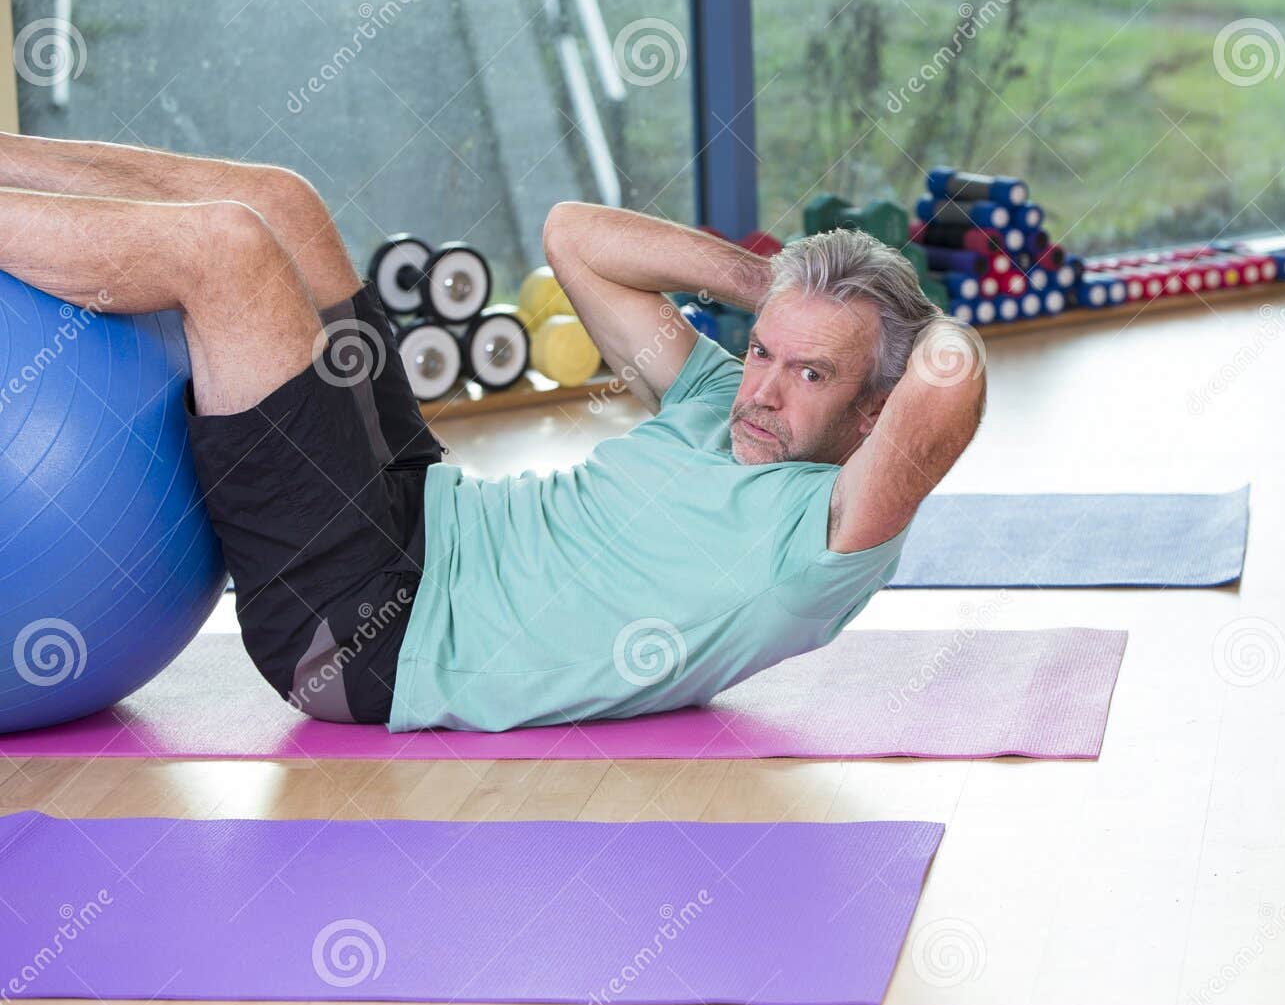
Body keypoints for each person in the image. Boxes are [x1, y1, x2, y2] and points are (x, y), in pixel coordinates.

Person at [0, 134, 986, 730]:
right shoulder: (719, 394)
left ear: (872, 411)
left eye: (810, 374)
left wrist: (888, 306)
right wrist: (767, 286)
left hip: (360, 630)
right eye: (764, 352)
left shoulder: (826, 532)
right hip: (420, 502)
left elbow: (947, 379)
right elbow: (574, 235)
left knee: (224, 252)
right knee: (283, 205)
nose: (763, 391)